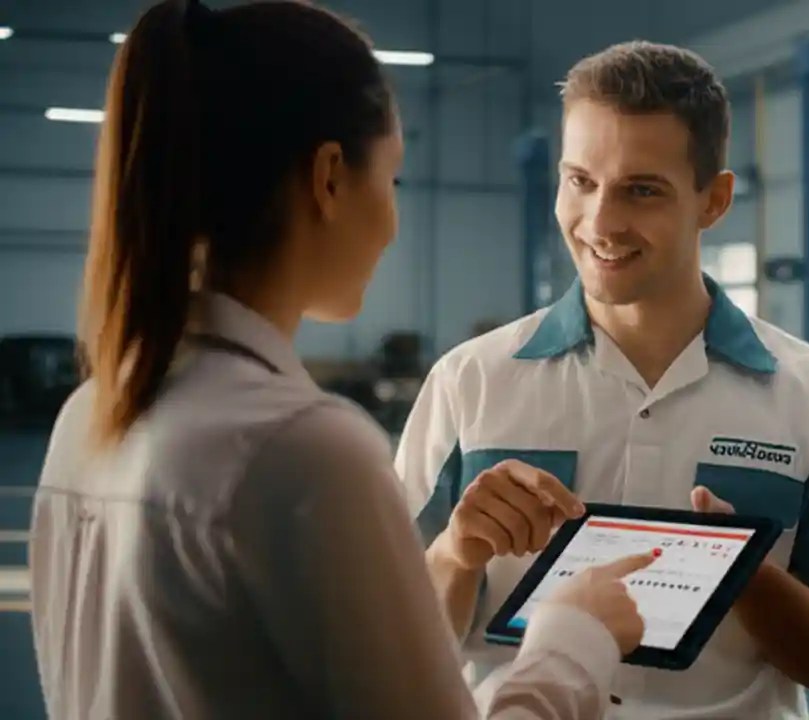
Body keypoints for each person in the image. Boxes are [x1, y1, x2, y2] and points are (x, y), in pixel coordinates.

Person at [28, 2, 654, 718]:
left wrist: (452, 553)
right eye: (391, 180)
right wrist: (574, 638)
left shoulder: (91, 416)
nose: (390, 222)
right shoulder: (302, 448)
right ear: (329, 176)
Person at [396, 41, 809, 719]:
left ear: (714, 199)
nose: (602, 222)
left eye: (642, 190)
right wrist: (458, 555)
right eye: (580, 180)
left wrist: (746, 577)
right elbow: (385, 650)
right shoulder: (470, 382)